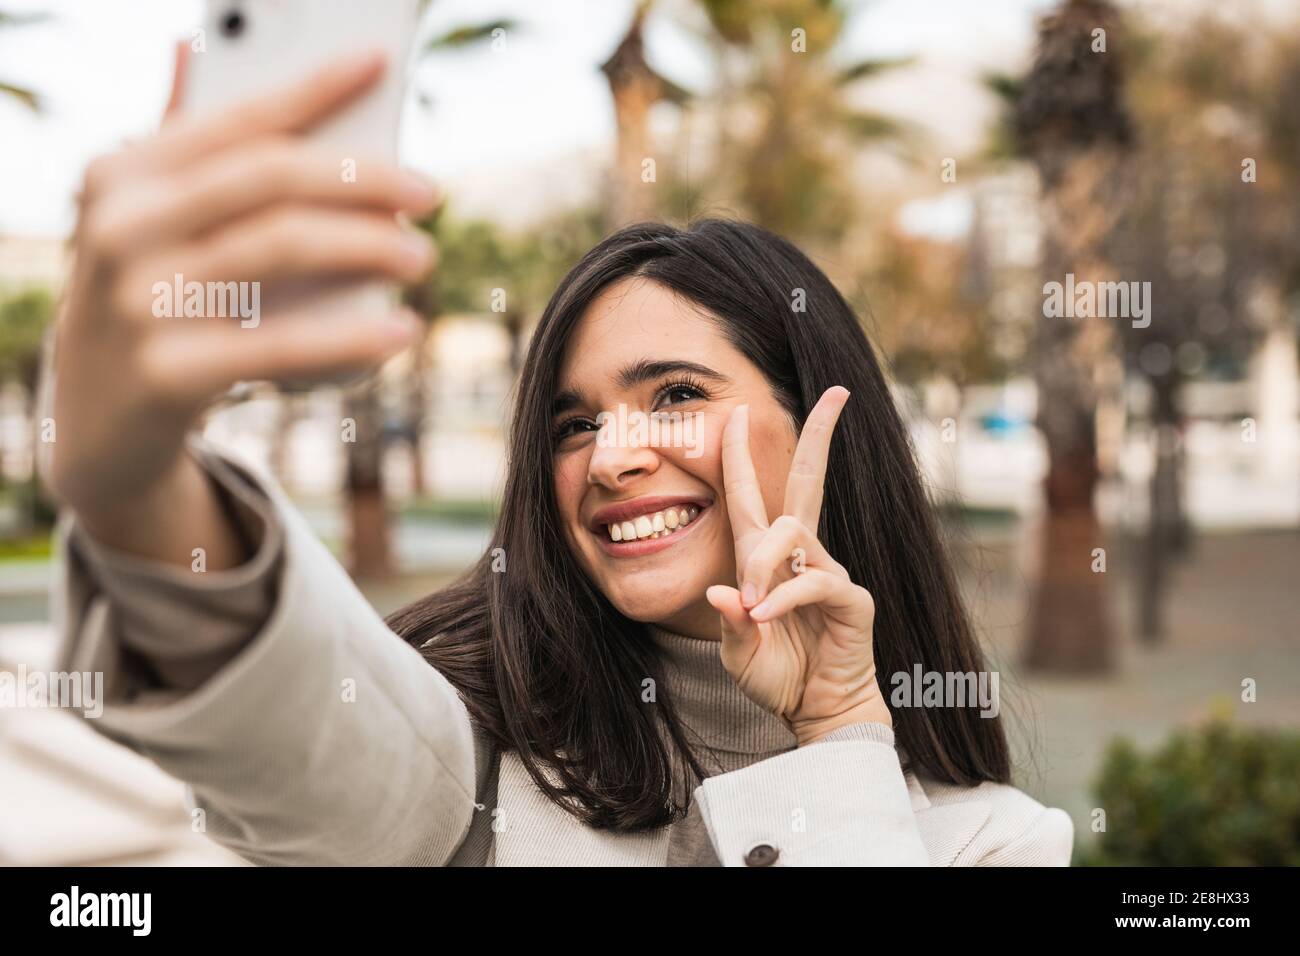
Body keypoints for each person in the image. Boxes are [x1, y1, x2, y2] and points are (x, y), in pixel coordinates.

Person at [41, 50, 1073, 866]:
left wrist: (838, 730)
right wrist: (133, 482)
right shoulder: (472, 767)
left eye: (674, 395)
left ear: (820, 424)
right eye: (572, 422)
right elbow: (305, 724)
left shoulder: (997, 841)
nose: (611, 457)